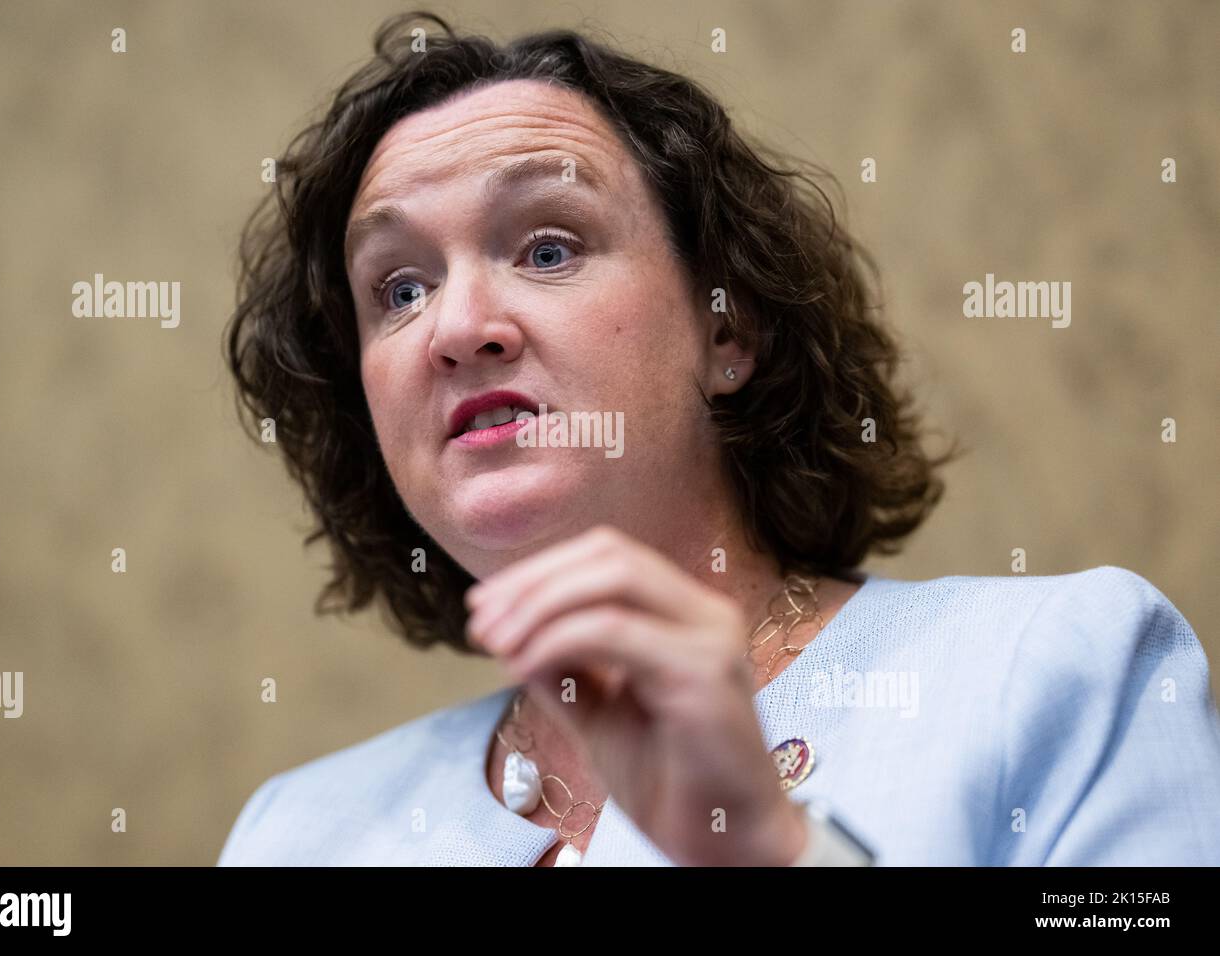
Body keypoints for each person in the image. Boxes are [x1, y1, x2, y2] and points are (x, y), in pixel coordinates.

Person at [216, 11, 1220, 866]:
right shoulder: (296, 834)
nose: (456, 323)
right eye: (398, 287)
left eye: (548, 246)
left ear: (726, 329)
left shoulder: (1063, 671)